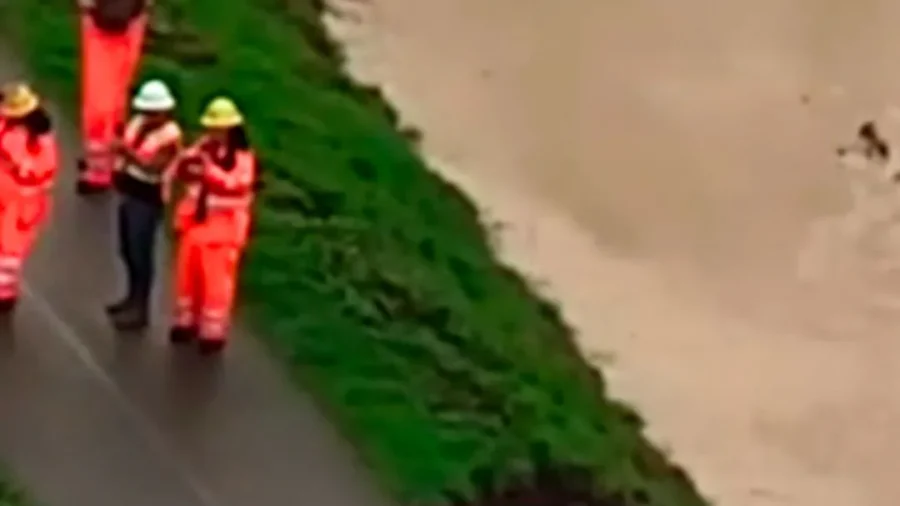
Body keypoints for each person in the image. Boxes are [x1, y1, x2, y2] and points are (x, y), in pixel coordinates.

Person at [168, 97, 258, 354]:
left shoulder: (242, 158)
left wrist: (208, 170)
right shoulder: (204, 148)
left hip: (223, 228)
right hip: (197, 222)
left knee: (216, 282)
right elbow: (184, 169)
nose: (212, 133)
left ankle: (212, 331)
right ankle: (186, 322)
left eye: (217, 129)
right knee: (187, 276)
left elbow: (234, 184)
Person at [106, 79, 182, 330]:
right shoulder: (137, 123)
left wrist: (127, 153)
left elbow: (155, 168)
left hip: (148, 198)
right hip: (129, 190)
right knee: (126, 249)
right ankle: (130, 298)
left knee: (141, 252)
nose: (148, 116)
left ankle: (140, 309)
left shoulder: (171, 136)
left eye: (153, 112)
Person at [76, 0, 150, 195]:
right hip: (128, 19)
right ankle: (111, 160)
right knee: (115, 94)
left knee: (101, 100)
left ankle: (100, 169)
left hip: (109, 23)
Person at [0, 83, 59, 311]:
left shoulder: (40, 141)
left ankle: (5, 291)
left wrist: (17, 165)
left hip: (25, 201)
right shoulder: (6, 127)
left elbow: (41, 170)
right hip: (7, 195)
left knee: (10, 248)